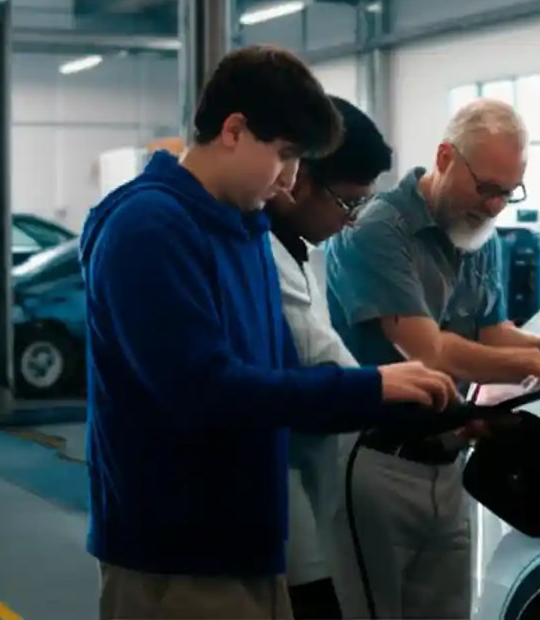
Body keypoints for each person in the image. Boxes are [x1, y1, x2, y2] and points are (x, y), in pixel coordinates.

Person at [79, 44, 458, 620]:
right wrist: (371, 388)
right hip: (174, 555)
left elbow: (287, 383)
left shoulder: (246, 230)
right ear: (233, 130)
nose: (289, 181)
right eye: (284, 155)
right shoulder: (148, 227)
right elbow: (202, 391)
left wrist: (423, 411)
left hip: (250, 543)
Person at [325, 97, 540, 619]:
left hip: (450, 462)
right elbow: (429, 351)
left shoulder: (477, 232)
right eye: (486, 188)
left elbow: (492, 331)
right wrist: (535, 366)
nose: (494, 207)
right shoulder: (377, 230)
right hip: (376, 464)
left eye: (508, 194)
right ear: (444, 156)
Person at [265, 95, 394, 619]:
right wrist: (403, 394)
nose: (350, 221)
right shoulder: (260, 255)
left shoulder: (299, 251)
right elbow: (322, 365)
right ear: (297, 178)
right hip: (276, 504)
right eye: (347, 204)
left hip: (314, 494)